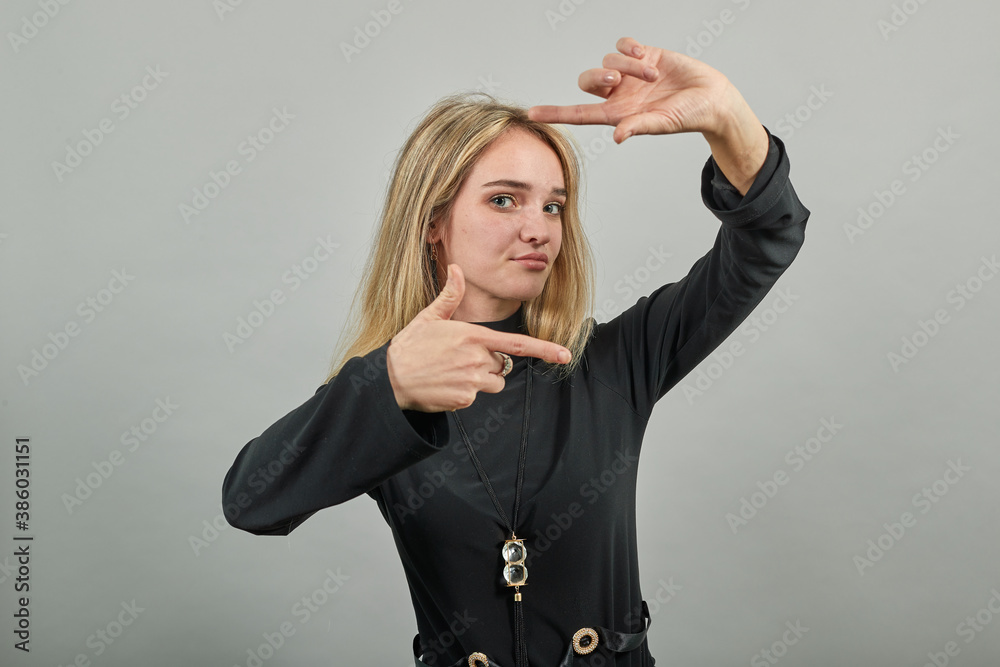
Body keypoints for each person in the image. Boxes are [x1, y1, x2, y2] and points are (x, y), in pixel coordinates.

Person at [222, 37, 810, 667]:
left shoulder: (613, 363)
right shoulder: (395, 387)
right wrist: (388, 381)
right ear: (433, 221)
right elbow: (252, 501)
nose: (539, 228)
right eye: (504, 199)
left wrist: (728, 116)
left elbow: (766, 241)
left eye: (553, 205)